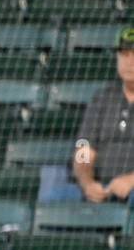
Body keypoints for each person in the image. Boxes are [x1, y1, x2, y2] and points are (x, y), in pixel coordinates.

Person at [40, 28, 134, 203]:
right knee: (55, 195)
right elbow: (83, 151)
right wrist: (88, 183)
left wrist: (131, 180)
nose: (129, 62)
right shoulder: (102, 99)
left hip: (131, 191)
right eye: (124, 55)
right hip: (99, 187)